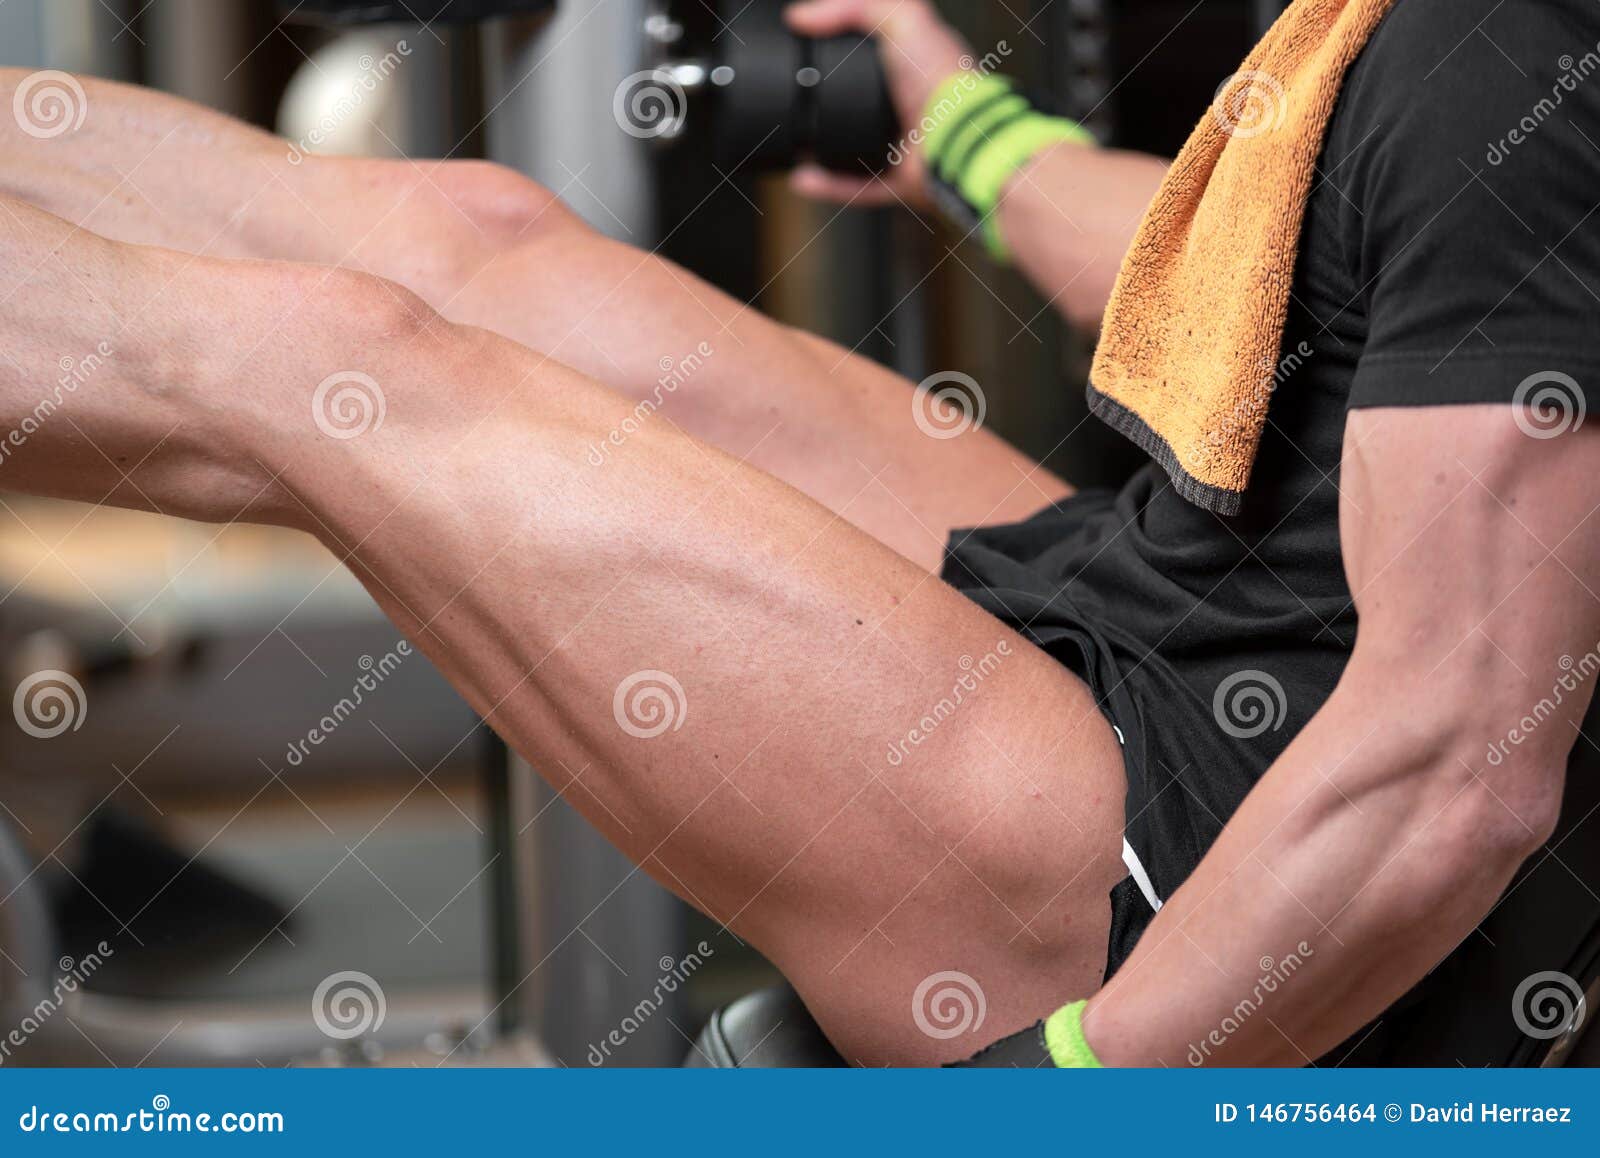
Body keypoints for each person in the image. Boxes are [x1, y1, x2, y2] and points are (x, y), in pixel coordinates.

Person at [0, 0, 1595, 1066]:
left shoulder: (1511, 48)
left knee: (335, 371)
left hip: (1199, 874)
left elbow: (1456, 766)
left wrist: (1077, 1087)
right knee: (463, 245)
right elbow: (1271, 267)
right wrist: (957, 133)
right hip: (1179, 609)